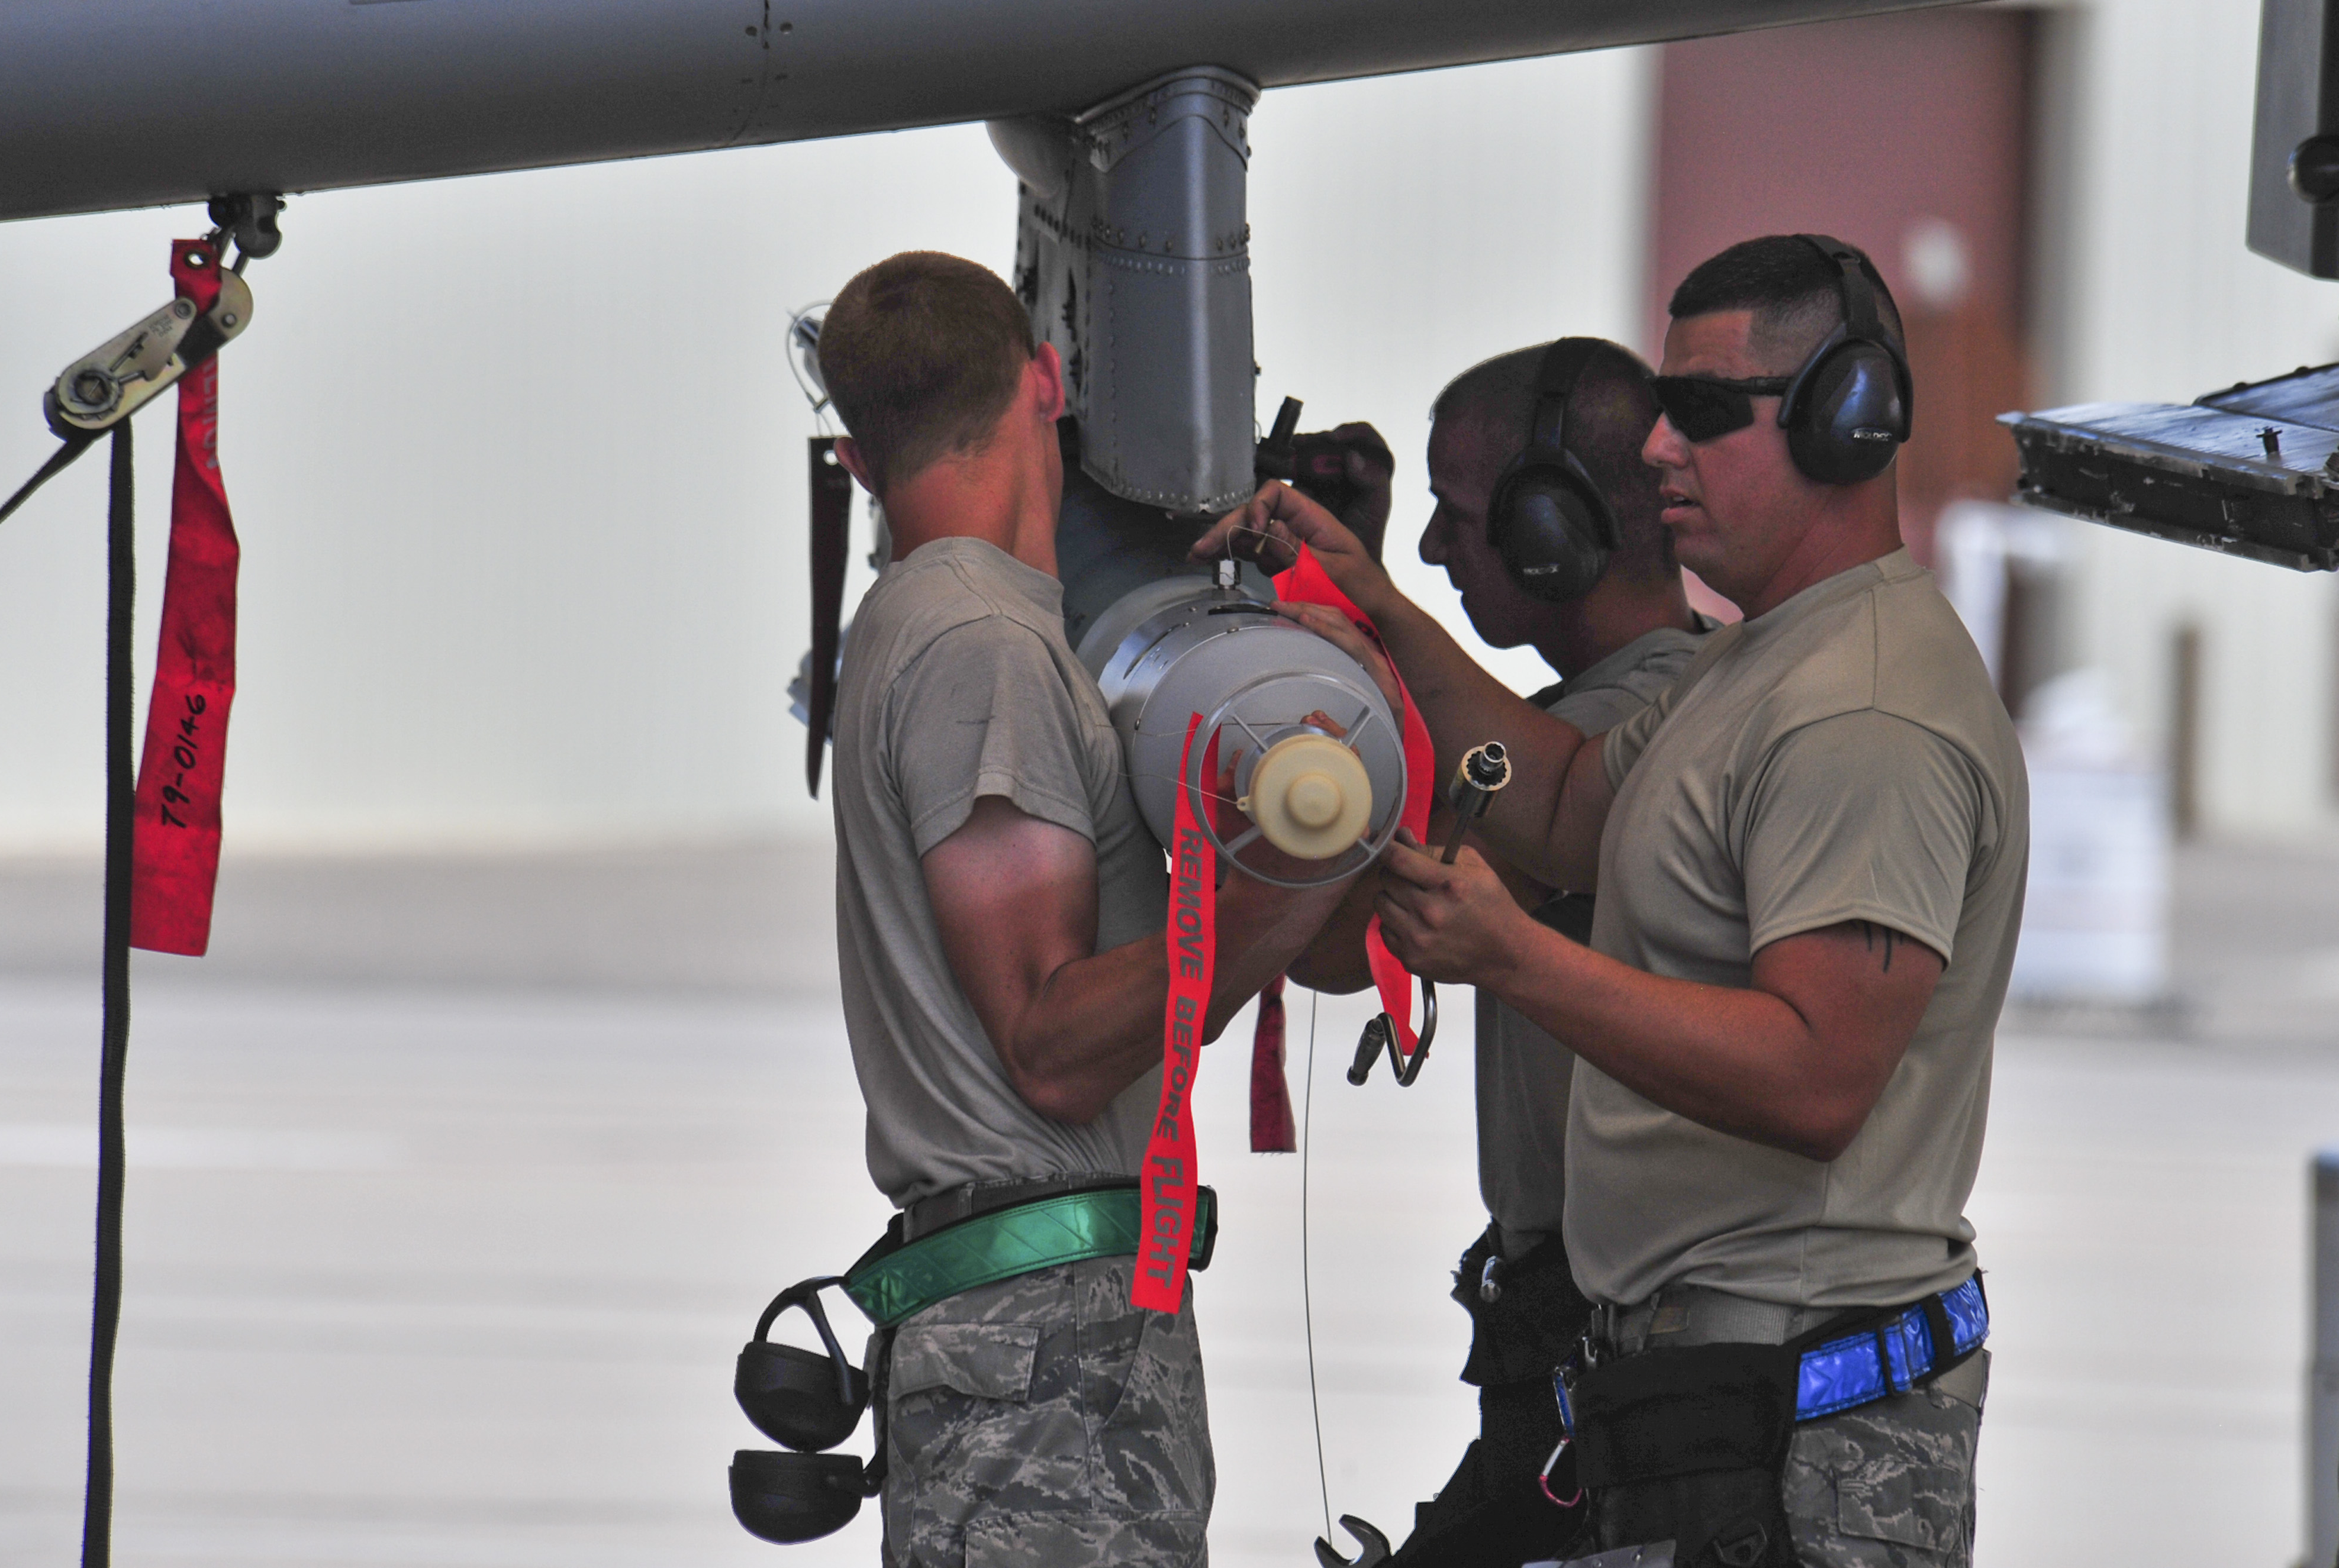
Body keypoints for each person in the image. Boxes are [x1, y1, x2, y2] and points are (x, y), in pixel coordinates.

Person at [1200, 235, 2024, 1568]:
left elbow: (1817, 1076)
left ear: (1845, 416)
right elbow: (1568, 798)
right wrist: (1377, 606)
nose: (1654, 452)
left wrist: (1510, 956)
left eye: (1701, 411)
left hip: (1796, 1436)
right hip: (1705, 1404)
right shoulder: (1758, 660)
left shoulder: (1861, 711)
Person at [818, 251, 1342, 1568]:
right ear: (1045, 380)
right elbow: (1049, 1041)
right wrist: (1285, 889)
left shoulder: (937, 624)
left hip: (1032, 1340)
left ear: (860, 455)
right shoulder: (979, 646)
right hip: (1043, 1355)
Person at [1285, 338, 1712, 1566]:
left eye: (1458, 519)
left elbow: (1334, 943)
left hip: (1610, 1346)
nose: (1429, 552)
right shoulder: (1623, 708)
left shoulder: (1635, 722)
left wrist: (1335, 630)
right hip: (1564, 1337)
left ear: (1552, 531)